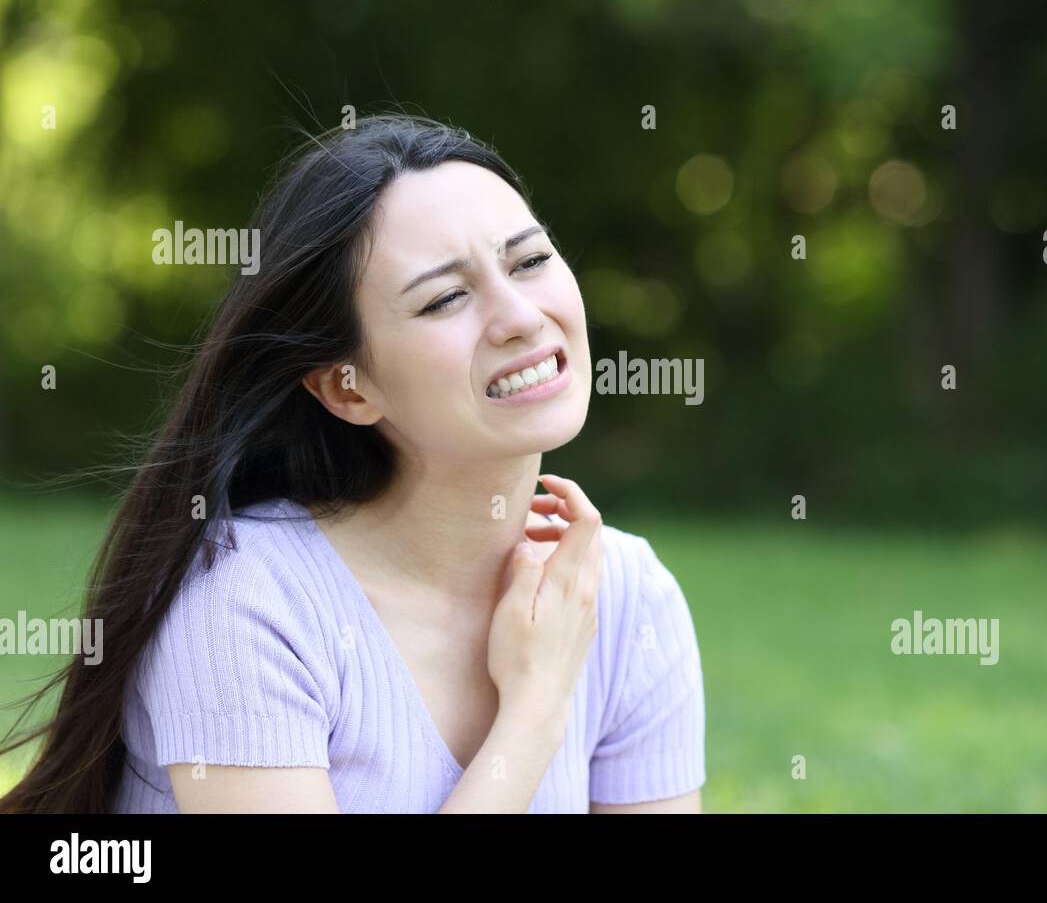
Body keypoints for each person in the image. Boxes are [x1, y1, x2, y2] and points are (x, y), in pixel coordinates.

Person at [0, 114, 706, 813]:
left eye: (529, 261)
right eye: (446, 298)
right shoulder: (247, 602)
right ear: (348, 386)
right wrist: (536, 710)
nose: (519, 315)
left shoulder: (625, 598)